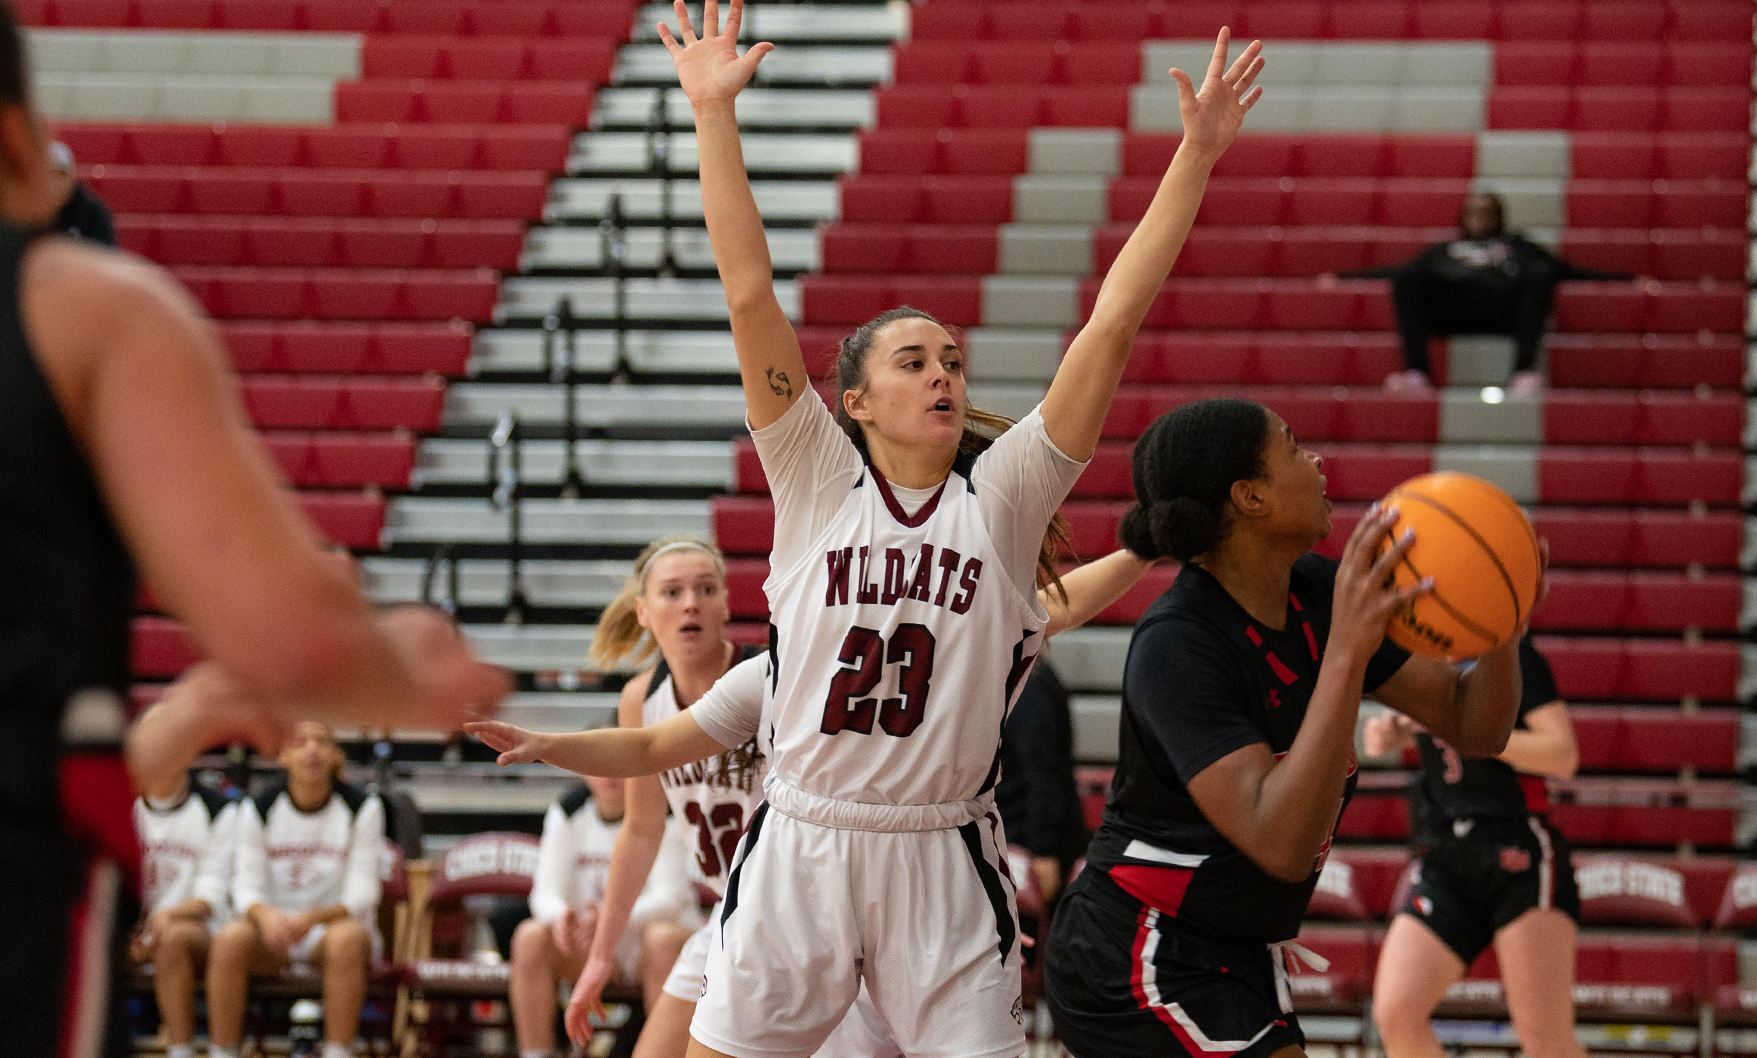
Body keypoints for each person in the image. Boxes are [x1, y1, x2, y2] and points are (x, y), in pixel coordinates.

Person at [650, 0, 1260, 1054]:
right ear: (853, 400)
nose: (942, 375)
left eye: (952, 362)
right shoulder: (813, 477)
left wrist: (1195, 158)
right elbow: (751, 296)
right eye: (913, 361)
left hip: (943, 854)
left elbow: (1110, 324)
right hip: (802, 837)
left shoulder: (1008, 496)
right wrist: (712, 114)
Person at [0, 0, 504, 1051]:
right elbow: (296, 640)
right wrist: (402, 668)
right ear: (14, 136)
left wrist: (188, 718)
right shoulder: (87, 305)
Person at [467, 542, 1157, 1058]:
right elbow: (641, 828)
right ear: (643, 611)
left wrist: (971, 900)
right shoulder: (642, 698)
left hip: (813, 904)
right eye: (673, 592)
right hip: (738, 918)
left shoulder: (780, 675)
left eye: (705, 588)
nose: (691, 604)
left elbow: (910, 779)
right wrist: (597, 955)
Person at [1043, 398, 1531, 1058]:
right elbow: (1280, 843)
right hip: (1138, 949)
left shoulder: (1317, 592)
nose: (1317, 462)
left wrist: (1502, 619)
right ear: (1250, 497)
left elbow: (1477, 727)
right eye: (1295, 448)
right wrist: (1347, 654)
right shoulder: (1177, 646)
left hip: (1237, 947)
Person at [1363, 636, 1585, 1058]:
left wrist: (1474, 733)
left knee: (1544, 1038)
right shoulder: (1421, 657)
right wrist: (1391, 734)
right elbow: (1397, 739)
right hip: (1444, 854)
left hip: (1515, 852)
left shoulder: (1513, 656)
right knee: (1396, 1013)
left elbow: (1562, 753)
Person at [205, 722, 386, 1058]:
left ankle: (337, 1052)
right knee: (230, 937)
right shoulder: (257, 808)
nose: (312, 750)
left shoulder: (364, 807)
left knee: (347, 938)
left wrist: (313, 918)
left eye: (322, 741)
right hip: (275, 934)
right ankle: (222, 1052)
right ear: (284, 755)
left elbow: (363, 893)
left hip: (330, 932)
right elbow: (245, 887)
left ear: (335, 755)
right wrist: (266, 915)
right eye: (301, 742)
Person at [1343, 192, 1634, 394]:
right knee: (1407, 278)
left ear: (1499, 217)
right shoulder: (1443, 251)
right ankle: (1416, 374)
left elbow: (1566, 270)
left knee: (1540, 275)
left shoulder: (1518, 246)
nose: (1479, 218)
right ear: (1462, 218)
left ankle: (1523, 372)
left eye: (1486, 212)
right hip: (1454, 315)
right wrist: (1341, 276)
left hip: (1503, 314)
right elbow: (1396, 270)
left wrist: (1629, 279)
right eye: (1472, 212)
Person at [510, 772, 705, 1058]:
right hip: (589, 942)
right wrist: (563, 916)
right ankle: (536, 1054)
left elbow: (670, 899)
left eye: (619, 766)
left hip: (645, 949)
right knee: (529, 936)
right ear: (584, 771)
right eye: (600, 765)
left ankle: (667, 1051)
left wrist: (610, 918)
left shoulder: (662, 808)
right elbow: (543, 894)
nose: (610, 775)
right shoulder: (568, 811)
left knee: (661, 939)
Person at [131, 771, 239, 1058]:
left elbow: (212, 894)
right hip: (138, 930)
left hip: (203, 929)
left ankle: (184, 1051)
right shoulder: (123, 804)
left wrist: (165, 918)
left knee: (171, 938)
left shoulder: (218, 808)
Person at [997, 658, 1089, 905]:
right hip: (1018, 840)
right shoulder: (1017, 674)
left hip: (1026, 846)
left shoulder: (1025, 680)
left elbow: (1045, 771)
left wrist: (1044, 850)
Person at [48, 140, 112, 246]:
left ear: (72, 178)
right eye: (51, 176)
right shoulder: (26, 213)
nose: (56, 183)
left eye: (62, 176)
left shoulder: (93, 213)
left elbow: (106, 255)